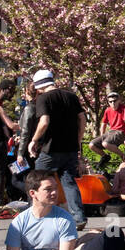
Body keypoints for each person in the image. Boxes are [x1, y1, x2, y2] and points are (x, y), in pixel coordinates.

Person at [27, 69, 88, 229]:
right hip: (70, 148)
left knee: (36, 179)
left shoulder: (43, 98)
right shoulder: (71, 96)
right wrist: (78, 140)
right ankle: (79, 218)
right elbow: (82, 119)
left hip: (50, 148)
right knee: (69, 182)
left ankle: (33, 214)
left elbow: (45, 121)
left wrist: (34, 140)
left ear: (39, 86)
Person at [89, 92, 125, 171]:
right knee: (92, 145)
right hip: (111, 132)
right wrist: (102, 136)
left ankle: (123, 156)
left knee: (106, 143)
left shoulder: (123, 108)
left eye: (114, 101)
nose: (113, 103)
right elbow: (103, 123)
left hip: (120, 131)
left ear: (119, 100)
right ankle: (105, 156)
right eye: (110, 102)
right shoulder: (107, 110)